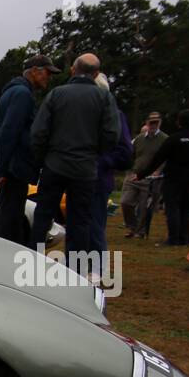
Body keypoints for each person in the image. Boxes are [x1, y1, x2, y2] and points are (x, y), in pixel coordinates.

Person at [29, 54, 120, 261]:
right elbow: (112, 135)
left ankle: (33, 261)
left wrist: (44, 157)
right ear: (96, 73)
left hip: (55, 164)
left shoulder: (56, 95)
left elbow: (38, 133)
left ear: (72, 70)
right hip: (85, 168)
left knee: (43, 217)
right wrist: (94, 153)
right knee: (80, 220)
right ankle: (75, 269)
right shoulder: (104, 98)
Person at [0, 54, 59, 246]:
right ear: (35, 71)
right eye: (47, 73)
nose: (48, 78)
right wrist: (0, 169)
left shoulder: (10, 92)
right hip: (15, 168)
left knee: (11, 216)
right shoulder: (22, 95)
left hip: (10, 166)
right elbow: (8, 131)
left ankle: (9, 256)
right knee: (9, 218)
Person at [134, 109, 189, 246]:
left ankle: (173, 238)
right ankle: (183, 238)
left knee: (172, 208)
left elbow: (158, 159)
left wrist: (141, 174)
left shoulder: (173, 139)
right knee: (186, 208)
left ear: (178, 122)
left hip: (173, 178)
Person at [88, 73, 133, 281]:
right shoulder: (83, 114)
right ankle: (81, 270)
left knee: (95, 226)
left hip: (98, 179)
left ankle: (99, 272)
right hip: (79, 177)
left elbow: (125, 153)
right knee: (80, 226)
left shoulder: (115, 115)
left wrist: (100, 163)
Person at [120, 112, 167, 238]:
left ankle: (139, 231)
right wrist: (129, 170)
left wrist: (159, 170)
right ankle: (131, 226)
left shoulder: (164, 139)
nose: (153, 125)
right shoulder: (139, 139)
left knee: (143, 207)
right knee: (125, 202)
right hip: (134, 175)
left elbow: (166, 158)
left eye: (156, 122)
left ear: (160, 123)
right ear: (146, 123)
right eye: (151, 122)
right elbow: (131, 155)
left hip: (151, 178)